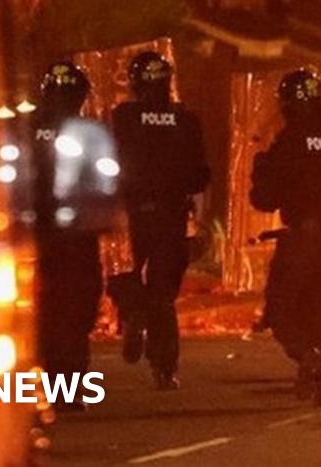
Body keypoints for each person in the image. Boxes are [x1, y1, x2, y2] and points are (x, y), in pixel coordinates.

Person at [251, 68, 321, 407]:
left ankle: (305, 353)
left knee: (280, 309)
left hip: (303, 240)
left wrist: (260, 168)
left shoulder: (289, 142)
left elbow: (265, 198)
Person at [110, 52, 210, 390]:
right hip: (172, 215)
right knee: (163, 293)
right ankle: (164, 367)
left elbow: (109, 162)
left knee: (123, 274)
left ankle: (134, 313)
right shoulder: (186, 121)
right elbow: (200, 176)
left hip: (132, 213)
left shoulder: (122, 117)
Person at [32, 61, 105, 410]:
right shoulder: (90, 133)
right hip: (73, 239)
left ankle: (59, 384)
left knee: (52, 310)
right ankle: (67, 386)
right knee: (74, 312)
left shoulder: (24, 129)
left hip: (42, 236)